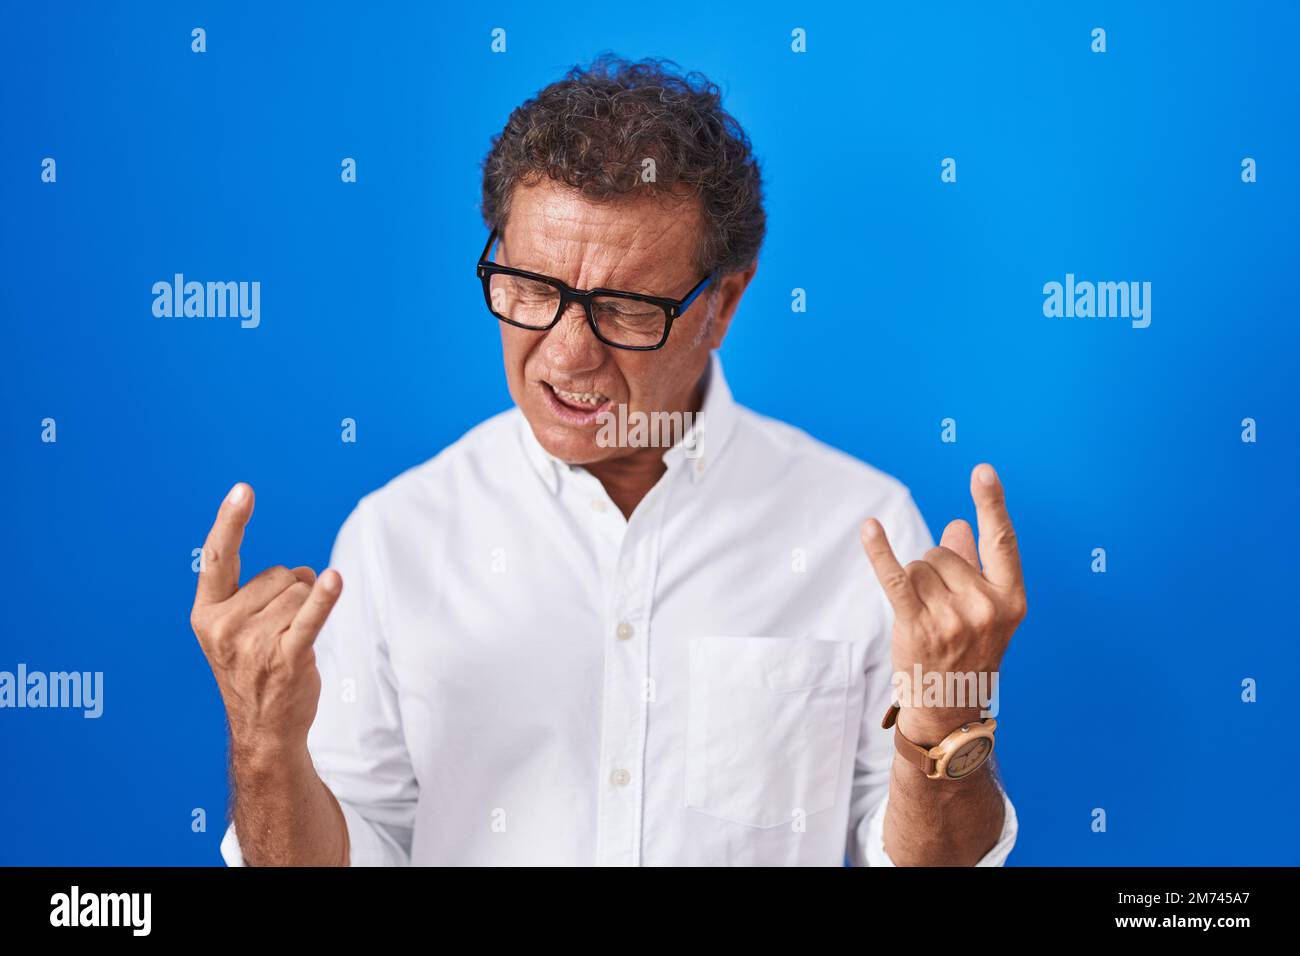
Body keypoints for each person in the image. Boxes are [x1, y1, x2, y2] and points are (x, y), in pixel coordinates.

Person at [192, 55, 1026, 866]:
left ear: (723, 304)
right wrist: (265, 748)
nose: (563, 355)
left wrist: (944, 727)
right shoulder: (395, 536)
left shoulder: (861, 532)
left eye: (624, 309)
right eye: (529, 287)